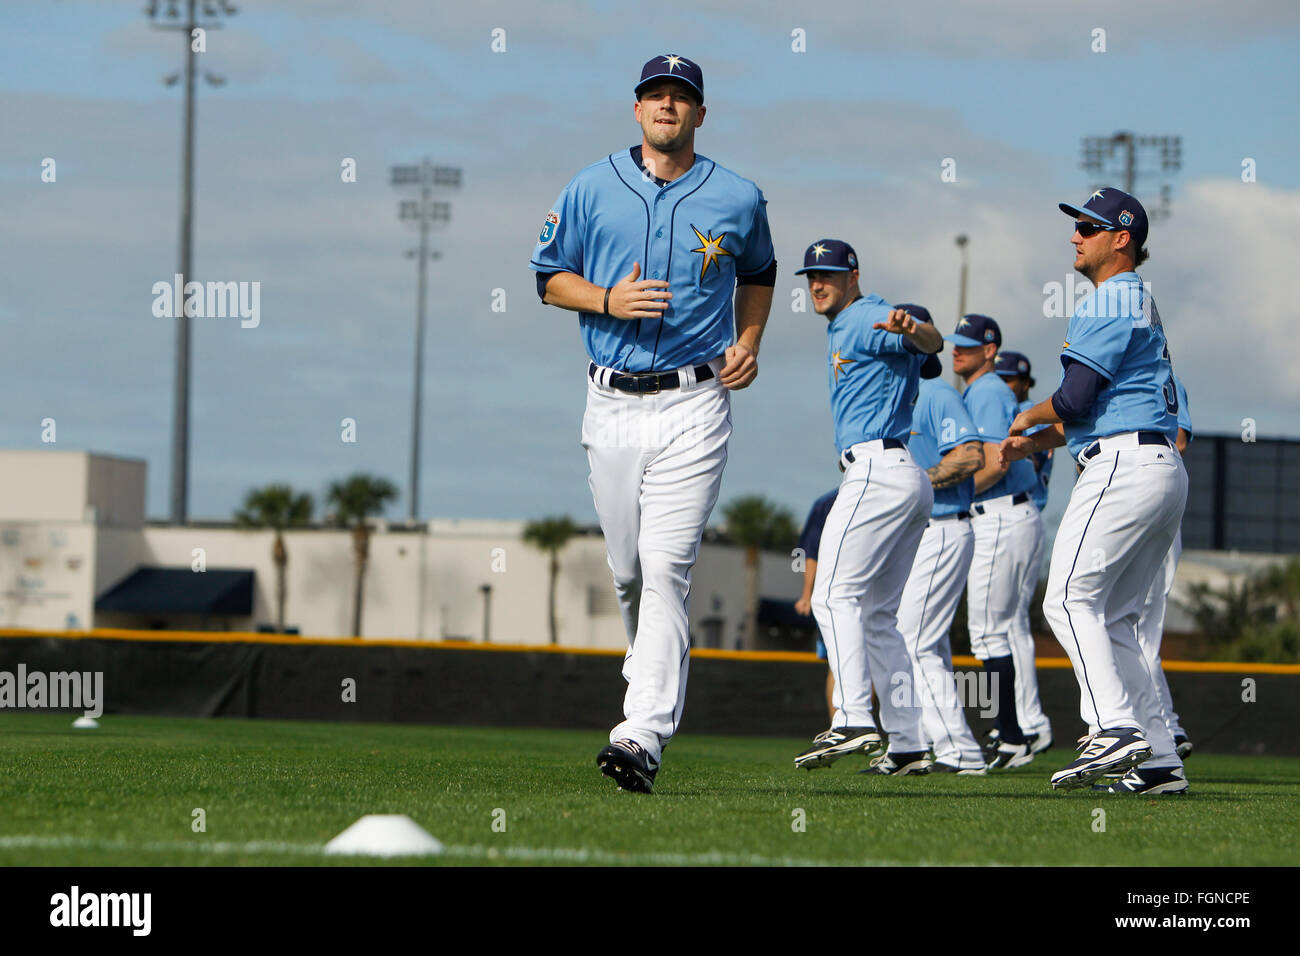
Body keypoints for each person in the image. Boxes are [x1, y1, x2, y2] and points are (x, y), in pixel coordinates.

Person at [529, 54, 777, 794]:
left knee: (669, 564)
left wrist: (751, 340)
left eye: (681, 98)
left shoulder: (737, 195)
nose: (667, 106)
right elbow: (547, 278)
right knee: (631, 572)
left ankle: (641, 733)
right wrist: (607, 300)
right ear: (637, 110)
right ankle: (646, 676)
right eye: (655, 96)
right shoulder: (589, 185)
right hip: (609, 400)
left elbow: (760, 272)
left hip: (695, 400)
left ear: (701, 113)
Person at [1000, 187, 1188, 795]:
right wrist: (1040, 441)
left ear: (1121, 238)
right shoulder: (1139, 300)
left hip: (1123, 469)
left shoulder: (1113, 295)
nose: (1075, 236)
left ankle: (1111, 730)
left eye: (1087, 226)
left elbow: (1075, 398)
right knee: (1117, 617)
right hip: (1156, 465)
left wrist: (1025, 417)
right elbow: (1097, 411)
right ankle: (1160, 760)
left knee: (1066, 600)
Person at [790, 240, 945, 776]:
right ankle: (906, 742)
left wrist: (913, 329)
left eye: (828, 273)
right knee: (878, 617)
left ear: (853, 276)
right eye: (810, 274)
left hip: (877, 471)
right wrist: (914, 336)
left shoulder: (865, 316)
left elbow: (932, 340)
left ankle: (853, 715)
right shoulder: (848, 323)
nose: (817, 283)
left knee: (834, 598)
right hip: (904, 476)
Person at [893, 304, 988, 774]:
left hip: (945, 528)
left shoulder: (934, 393)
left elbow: (971, 456)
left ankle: (960, 752)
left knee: (914, 640)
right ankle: (918, 745)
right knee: (923, 641)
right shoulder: (895, 396)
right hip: (916, 535)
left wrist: (916, 480)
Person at [948, 316, 1045, 770]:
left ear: (990, 351)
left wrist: (947, 494)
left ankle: (1013, 737)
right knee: (1003, 629)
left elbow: (996, 464)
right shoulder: (985, 390)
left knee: (990, 631)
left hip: (1002, 513)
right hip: (1012, 513)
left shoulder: (986, 391)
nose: (956, 351)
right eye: (955, 344)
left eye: (968, 345)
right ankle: (1017, 730)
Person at [991, 350, 1054, 754]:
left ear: (1025, 382)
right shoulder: (1012, 409)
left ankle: (1030, 722)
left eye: (1010, 379)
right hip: (1019, 518)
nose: (1004, 384)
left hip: (1023, 512)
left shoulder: (1027, 412)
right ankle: (1022, 722)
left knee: (1011, 623)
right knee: (1007, 623)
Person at [1136, 372, 1193, 757]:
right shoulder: (1154, 376)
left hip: (1146, 498)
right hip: (1154, 497)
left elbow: (1181, 439)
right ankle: (1165, 727)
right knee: (1134, 629)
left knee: (1136, 630)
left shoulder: (1154, 378)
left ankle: (1164, 730)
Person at [794, 489, 842, 723]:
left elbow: (806, 553)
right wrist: (806, 594)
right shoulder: (827, 502)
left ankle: (855, 727)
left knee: (851, 662)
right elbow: (807, 552)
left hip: (855, 592)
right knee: (839, 662)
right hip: (836, 593)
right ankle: (840, 728)